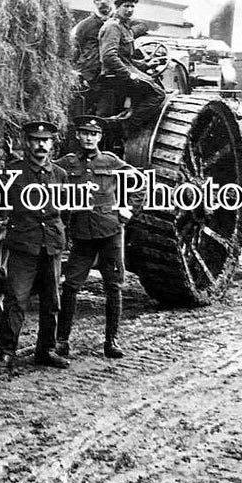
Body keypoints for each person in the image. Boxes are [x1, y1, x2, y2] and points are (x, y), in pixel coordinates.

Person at [55, 116, 141, 359]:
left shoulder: (111, 162)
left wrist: (128, 211)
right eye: (84, 133)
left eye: (93, 134)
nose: (89, 138)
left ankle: (111, 341)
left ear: (100, 137)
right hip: (83, 235)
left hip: (110, 233)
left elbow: (140, 182)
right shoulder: (68, 163)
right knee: (70, 286)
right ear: (77, 136)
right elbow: (47, 174)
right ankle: (62, 340)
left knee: (113, 286)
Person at [0, 121, 69, 371]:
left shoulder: (59, 174)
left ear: (52, 144)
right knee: (16, 299)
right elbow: (1, 206)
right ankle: (6, 353)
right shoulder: (14, 173)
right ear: (27, 143)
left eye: (45, 141)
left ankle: (45, 350)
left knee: (51, 301)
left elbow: (64, 211)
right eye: (36, 140)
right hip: (24, 245)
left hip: (51, 245)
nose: (41, 145)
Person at [96, 0, 166, 135]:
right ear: (117, 7)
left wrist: (146, 65)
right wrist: (130, 75)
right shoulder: (113, 27)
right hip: (115, 76)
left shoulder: (125, 27)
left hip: (121, 73)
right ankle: (127, 126)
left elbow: (126, 59)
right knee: (158, 94)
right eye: (126, 6)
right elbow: (109, 56)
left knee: (151, 85)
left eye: (132, 6)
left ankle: (129, 118)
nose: (129, 10)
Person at [69, 0, 116, 116]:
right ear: (94, 2)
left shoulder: (117, 24)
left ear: (112, 0)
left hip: (109, 78)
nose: (102, 1)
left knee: (105, 115)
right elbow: (75, 49)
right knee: (82, 113)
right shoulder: (85, 25)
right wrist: (75, 71)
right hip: (88, 78)